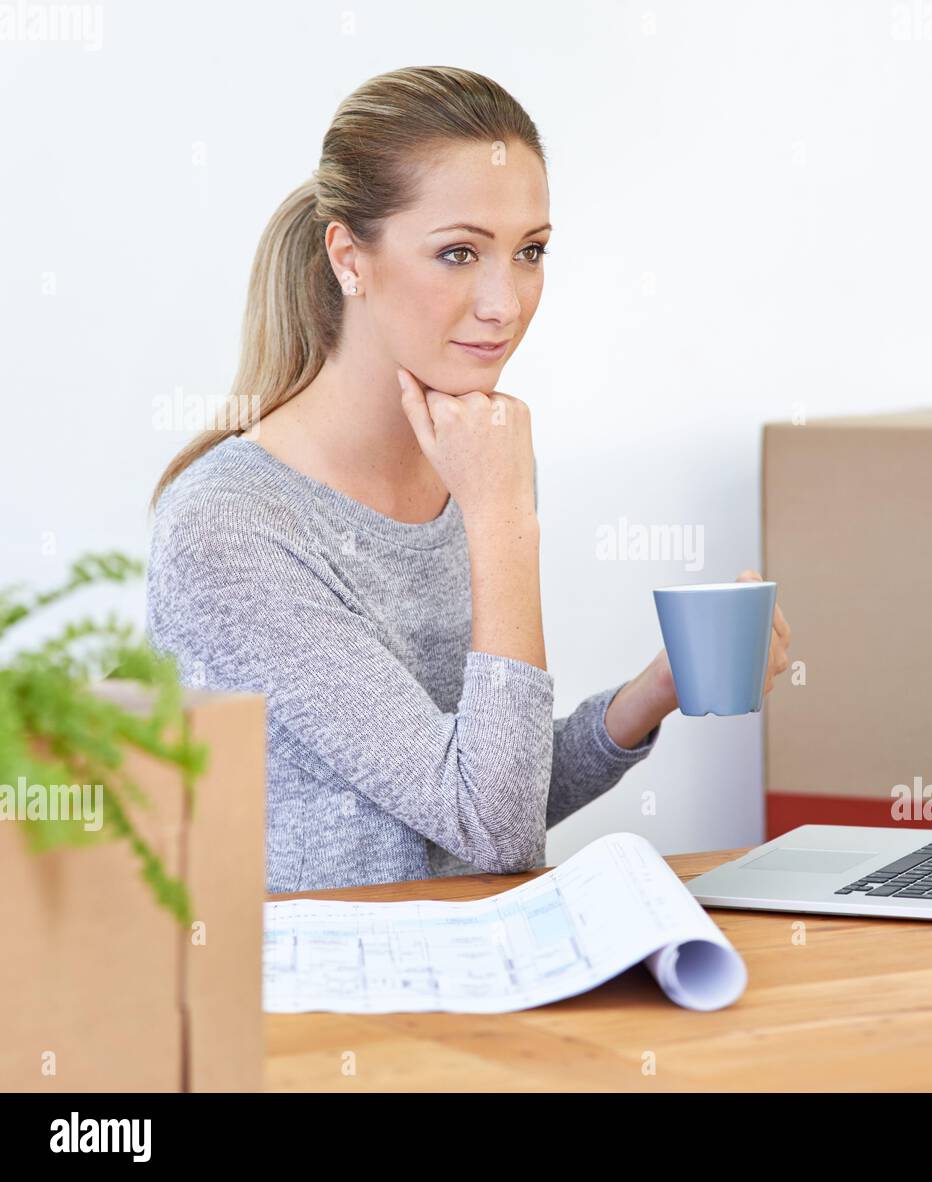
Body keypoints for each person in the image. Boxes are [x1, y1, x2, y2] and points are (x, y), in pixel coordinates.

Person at [146, 65, 791, 893]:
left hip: (476, 971)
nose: (505, 302)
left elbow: (483, 791)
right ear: (350, 257)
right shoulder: (232, 526)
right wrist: (503, 521)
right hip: (322, 1002)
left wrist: (648, 694)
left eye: (530, 252)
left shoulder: (467, 463)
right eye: (458, 253)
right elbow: (493, 829)